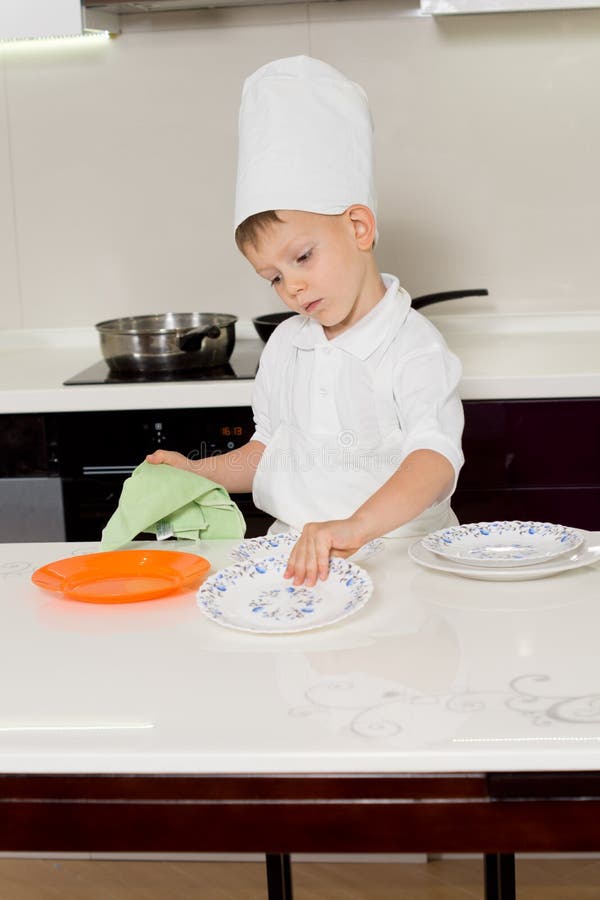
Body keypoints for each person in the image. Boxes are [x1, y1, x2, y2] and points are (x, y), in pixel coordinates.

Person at [147, 55, 464, 588]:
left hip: (405, 563)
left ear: (358, 227)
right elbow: (268, 453)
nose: (290, 287)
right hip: (297, 565)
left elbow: (433, 462)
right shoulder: (287, 346)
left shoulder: (414, 346)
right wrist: (197, 473)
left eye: (302, 258)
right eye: (271, 277)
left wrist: (357, 526)